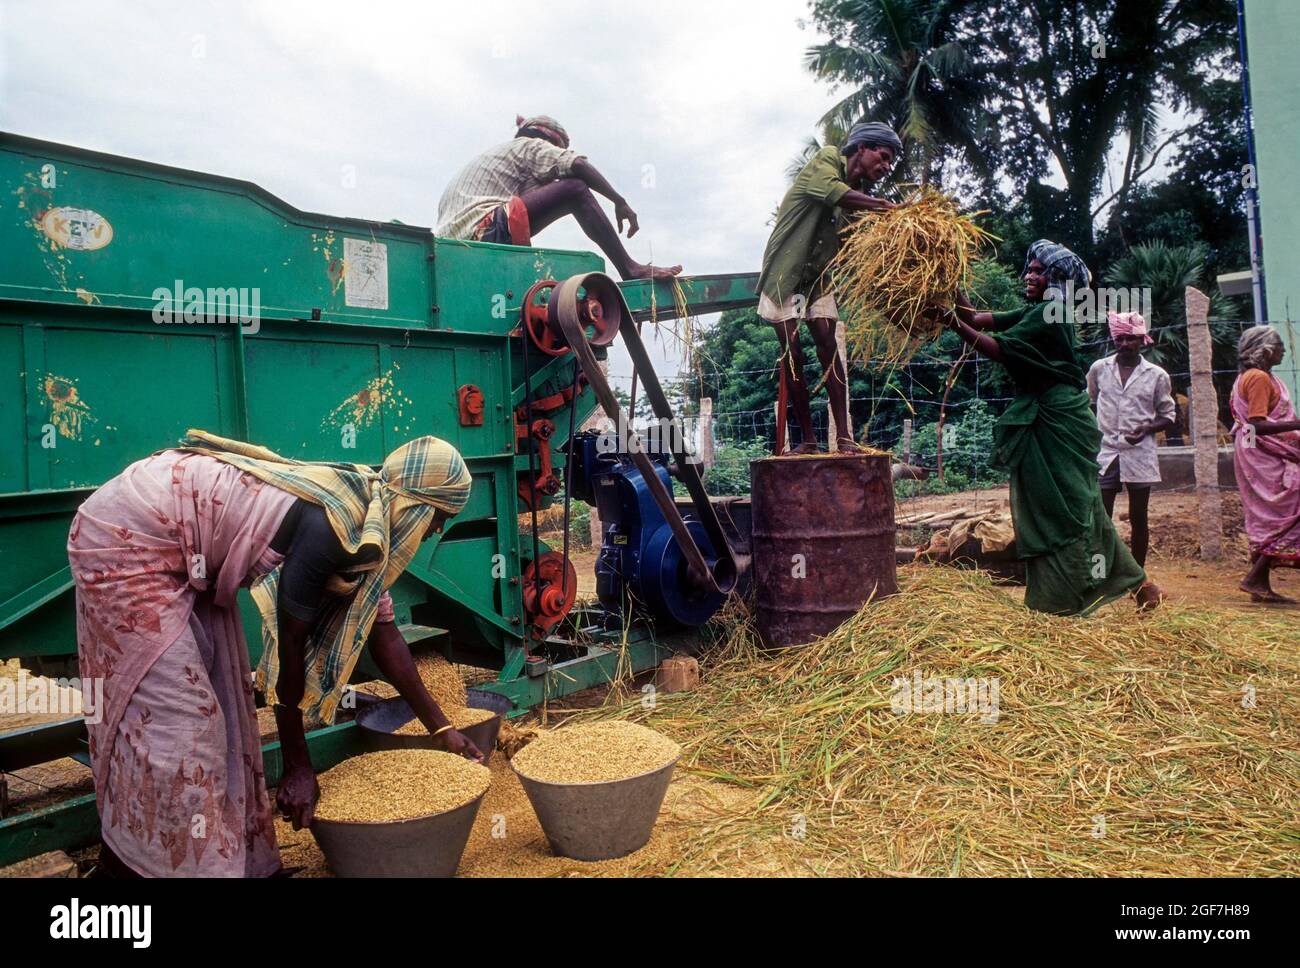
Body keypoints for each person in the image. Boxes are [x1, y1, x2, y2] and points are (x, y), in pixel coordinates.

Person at [69, 430, 478, 877]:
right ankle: (142, 868)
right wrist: (298, 766)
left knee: (230, 711)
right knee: (183, 729)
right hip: (131, 538)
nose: (436, 531)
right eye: (439, 518)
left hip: (186, 549)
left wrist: (442, 728)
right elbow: (289, 654)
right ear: (417, 505)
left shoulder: (370, 522)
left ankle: (242, 865)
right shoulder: (335, 526)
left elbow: (386, 637)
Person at [944, 240, 1164, 615]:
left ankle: (1092, 591)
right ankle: (1126, 584)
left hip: (1058, 417)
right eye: (1028, 269)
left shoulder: (1054, 309)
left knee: (1072, 506)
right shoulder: (1041, 309)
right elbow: (978, 318)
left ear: (1057, 278)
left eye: (1037, 271)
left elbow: (997, 347)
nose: (1029, 276)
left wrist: (949, 321)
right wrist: (947, 285)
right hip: (1045, 411)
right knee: (1061, 504)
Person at [756, 121, 900, 453]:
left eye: (890, 162)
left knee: (827, 346)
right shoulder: (826, 160)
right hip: (786, 275)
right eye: (883, 156)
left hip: (817, 280)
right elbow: (835, 192)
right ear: (861, 148)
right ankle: (807, 439)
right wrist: (887, 208)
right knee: (793, 354)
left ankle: (845, 438)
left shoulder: (855, 198)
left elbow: (853, 244)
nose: (886, 166)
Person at [437, 114, 681, 281]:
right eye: (557, 149)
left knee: (564, 192)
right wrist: (619, 201)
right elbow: (577, 166)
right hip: (484, 229)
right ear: (548, 141)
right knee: (574, 188)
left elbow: (532, 204)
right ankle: (631, 269)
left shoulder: (499, 162)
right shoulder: (529, 146)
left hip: (450, 252)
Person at [1087, 311, 1176, 567]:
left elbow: (1168, 415)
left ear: (1142, 340)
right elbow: (1089, 402)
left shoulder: (1156, 375)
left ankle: (1137, 577)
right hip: (1105, 454)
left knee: (1139, 518)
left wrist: (1147, 429)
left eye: (1131, 339)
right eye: (1120, 339)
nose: (1125, 344)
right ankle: (1099, 572)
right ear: (1113, 340)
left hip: (1139, 454)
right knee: (1101, 518)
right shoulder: (1099, 369)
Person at [1229, 325, 1300, 603]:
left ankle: (1259, 582)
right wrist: (1297, 424)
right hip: (1263, 455)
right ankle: (1254, 578)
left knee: (1277, 515)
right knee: (1290, 511)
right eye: (1279, 345)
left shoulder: (1254, 377)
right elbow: (1257, 424)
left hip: (1255, 452)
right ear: (1266, 350)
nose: (1283, 350)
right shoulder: (1258, 378)